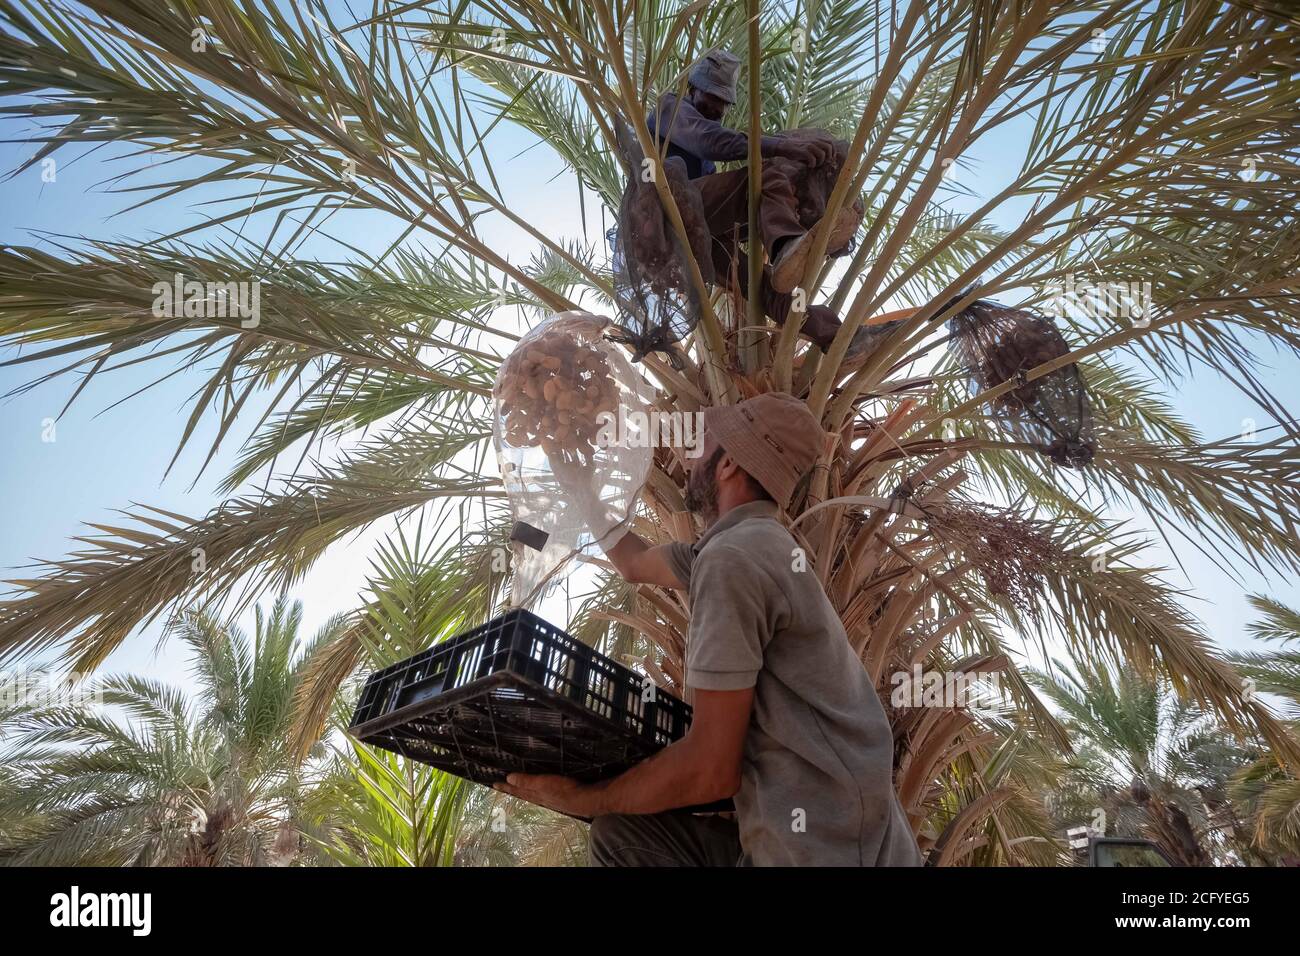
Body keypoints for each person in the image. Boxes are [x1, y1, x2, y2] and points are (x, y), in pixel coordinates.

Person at [495, 391, 924, 867]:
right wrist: (581, 488)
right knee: (621, 838)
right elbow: (635, 563)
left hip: (825, 855)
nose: (687, 455)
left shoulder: (733, 561)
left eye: (703, 446)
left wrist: (584, 799)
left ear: (727, 467)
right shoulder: (746, 546)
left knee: (612, 824)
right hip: (818, 841)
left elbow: (712, 770)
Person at [645, 47, 886, 358]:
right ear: (692, 90)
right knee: (763, 174)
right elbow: (710, 141)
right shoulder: (671, 107)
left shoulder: (703, 170)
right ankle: (784, 244)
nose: (718, 108)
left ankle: (840, 339)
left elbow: (742, 205)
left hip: (688, 236)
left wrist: (815, 222)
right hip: (666, 213)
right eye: (712, 97)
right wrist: (783, 147)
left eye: (724, 103)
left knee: (763, 289)